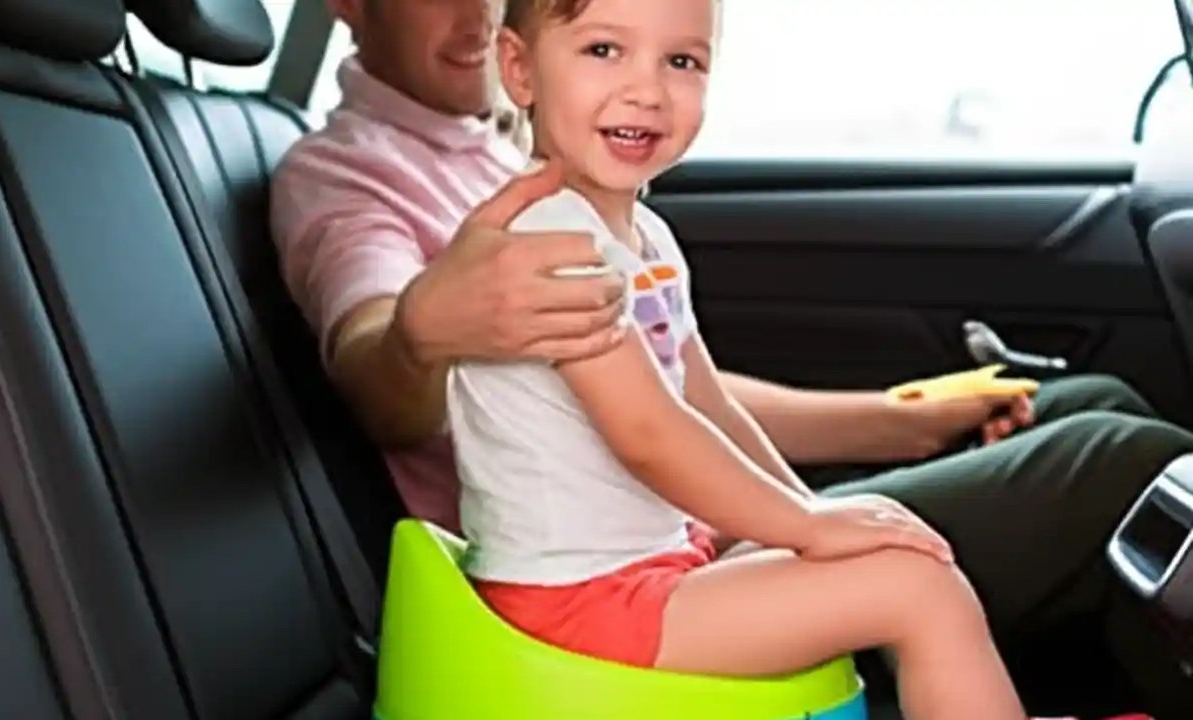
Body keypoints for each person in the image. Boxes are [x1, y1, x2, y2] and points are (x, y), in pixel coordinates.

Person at [270, 0, 1193, 714]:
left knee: (900, 537)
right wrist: (809, 529)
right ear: (524, 68)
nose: (646, 89)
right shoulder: (537, 230)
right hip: (581, 600)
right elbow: (647, 431)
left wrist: (814, 501)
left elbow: (700, 398)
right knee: (921, 591)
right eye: (603, 51)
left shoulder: (643, 233)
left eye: (682, 61)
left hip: (654, 561)